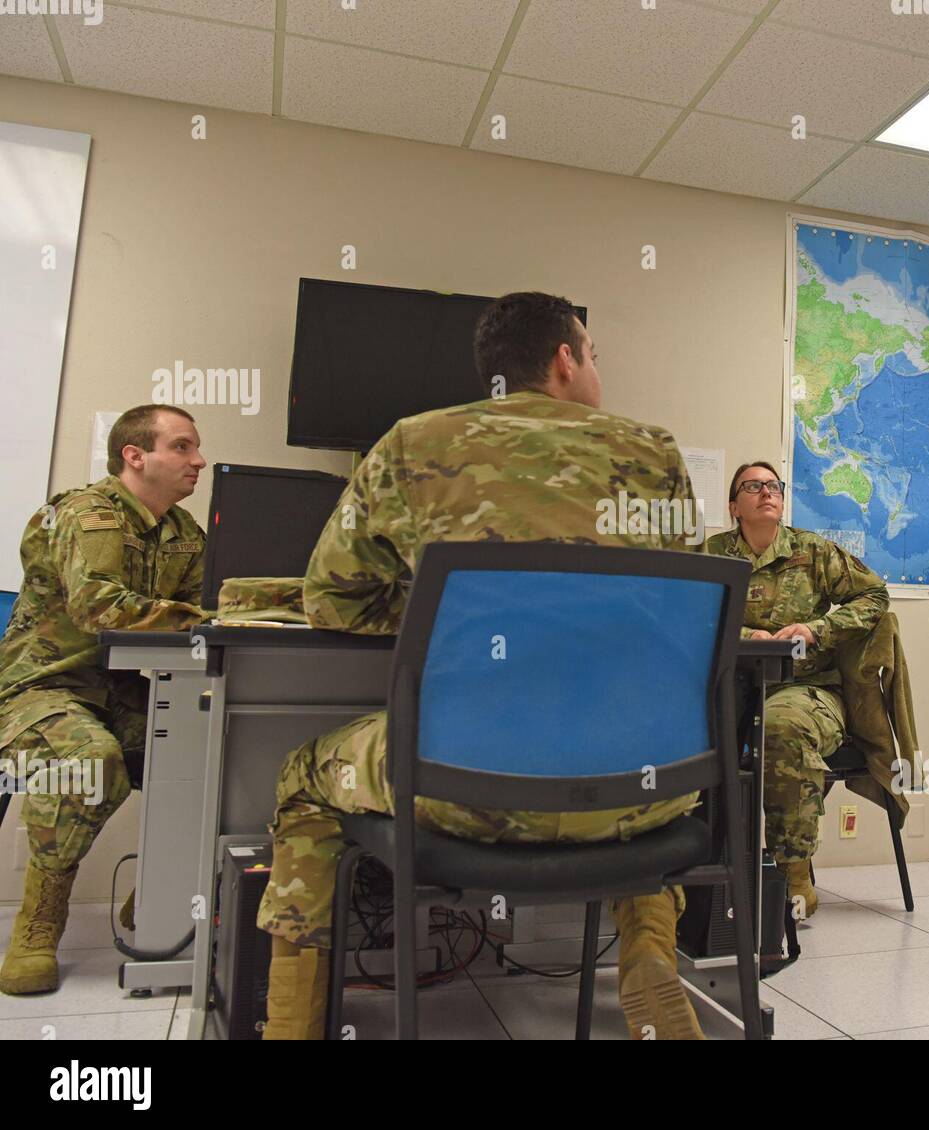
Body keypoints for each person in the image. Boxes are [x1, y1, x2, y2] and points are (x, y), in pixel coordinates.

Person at [257, 292, 709, 1040]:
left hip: (465, 791)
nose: (596, 371)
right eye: (594, 355)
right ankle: (649, 965)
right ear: (566, 359)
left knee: (302, 775)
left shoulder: (411, 443)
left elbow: (330, 599)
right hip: (643, 791)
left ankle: (288, 1032)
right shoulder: (653, 451)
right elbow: (679, 610)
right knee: (637, 746)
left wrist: (439, 617)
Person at [0, 405, 207, 995]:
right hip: (40, 688)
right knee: (90, 758)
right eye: (182, 447)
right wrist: (204, 616)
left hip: (117, 691)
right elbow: (100, 607)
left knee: (211, 746)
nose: (198, 461)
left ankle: (161, 903)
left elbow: (198, 621)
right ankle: (39, 927)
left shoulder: (184, 534)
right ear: (134, 456)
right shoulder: (86, 513)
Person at [703, 462, 888, 918]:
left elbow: (875, 597)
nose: (766, 492)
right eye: (753, 486)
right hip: (731, 687)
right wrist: (746, 633)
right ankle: (685, 880)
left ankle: (792, 875)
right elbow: (690, 612)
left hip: (807, 689)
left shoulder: (813, 551)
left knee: (783, 729)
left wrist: (816, 628)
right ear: (734, 506)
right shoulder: (713, 553)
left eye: (773, 485)